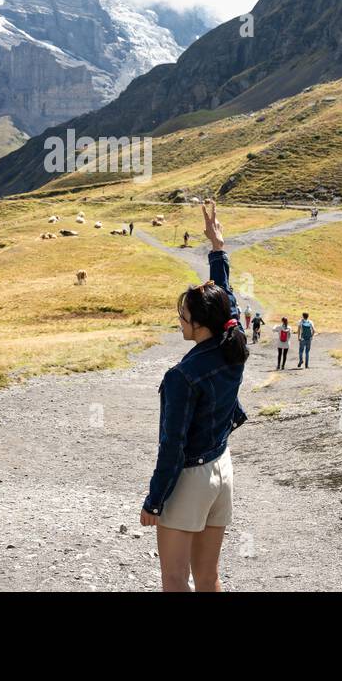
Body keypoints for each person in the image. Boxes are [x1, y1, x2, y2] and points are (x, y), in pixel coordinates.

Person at [141, 201, 249, 592]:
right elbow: (228, 300)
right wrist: (217, 247)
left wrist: (154, 501)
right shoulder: (232, 341)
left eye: (184, 317)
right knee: (208, 576)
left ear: (200, 324)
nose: (180, 320)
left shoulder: (181, 376)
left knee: (173, 579)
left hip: (191, 479)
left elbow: (172, 446)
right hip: (222, 471)